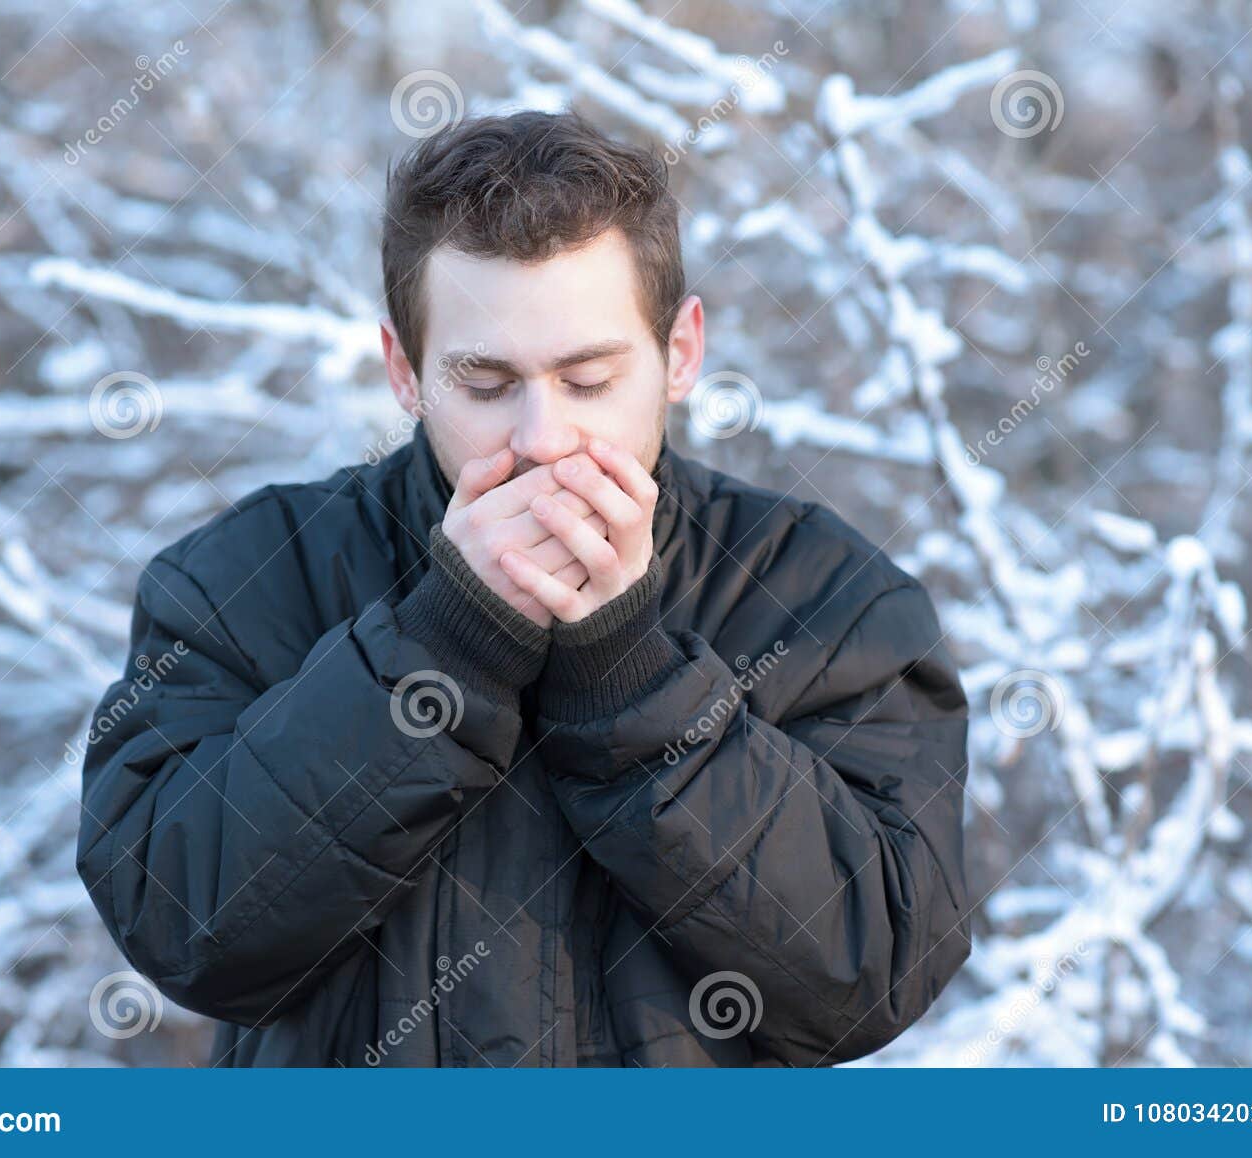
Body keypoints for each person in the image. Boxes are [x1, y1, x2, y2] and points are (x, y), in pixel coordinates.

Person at [75, 109, 972, 1066]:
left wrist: (633, 679)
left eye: (588, 379)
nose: (544, 438)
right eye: (487, 383)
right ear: (404, 370)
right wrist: (442, 650)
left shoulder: (826, 600)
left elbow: (872, 973)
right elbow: (181, 930)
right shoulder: (248, 578)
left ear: (680, 352)